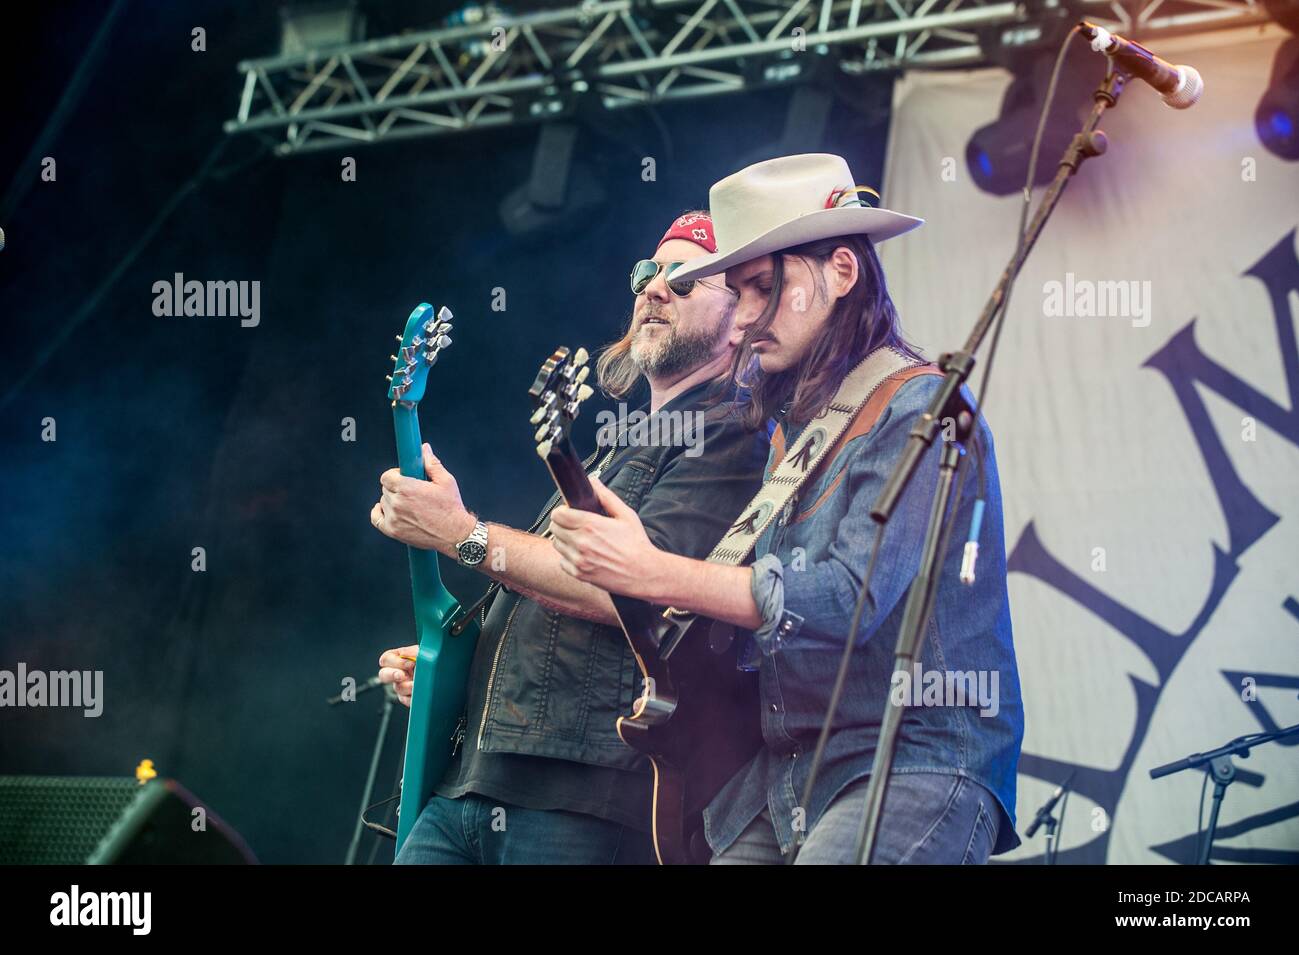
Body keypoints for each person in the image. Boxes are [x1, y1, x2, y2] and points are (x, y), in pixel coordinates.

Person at [549, 154, 1024, 864]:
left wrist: (653, 570)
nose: (742, 317)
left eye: (764, 289)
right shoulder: (787, 437)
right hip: (783, 778)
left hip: (912, 762)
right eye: (736, 292)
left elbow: (848, 600)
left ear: (842, 271)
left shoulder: (923, 407)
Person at [369, 212, 770, 864]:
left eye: (685, 279)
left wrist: (462, 534)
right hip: (474, 779)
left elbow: (638, 591)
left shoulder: (731, 436)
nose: (654, 288)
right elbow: (548, 612)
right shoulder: (620, 447)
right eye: (647, 272)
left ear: (742, 321)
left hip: (581, 800)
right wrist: (456, 675)